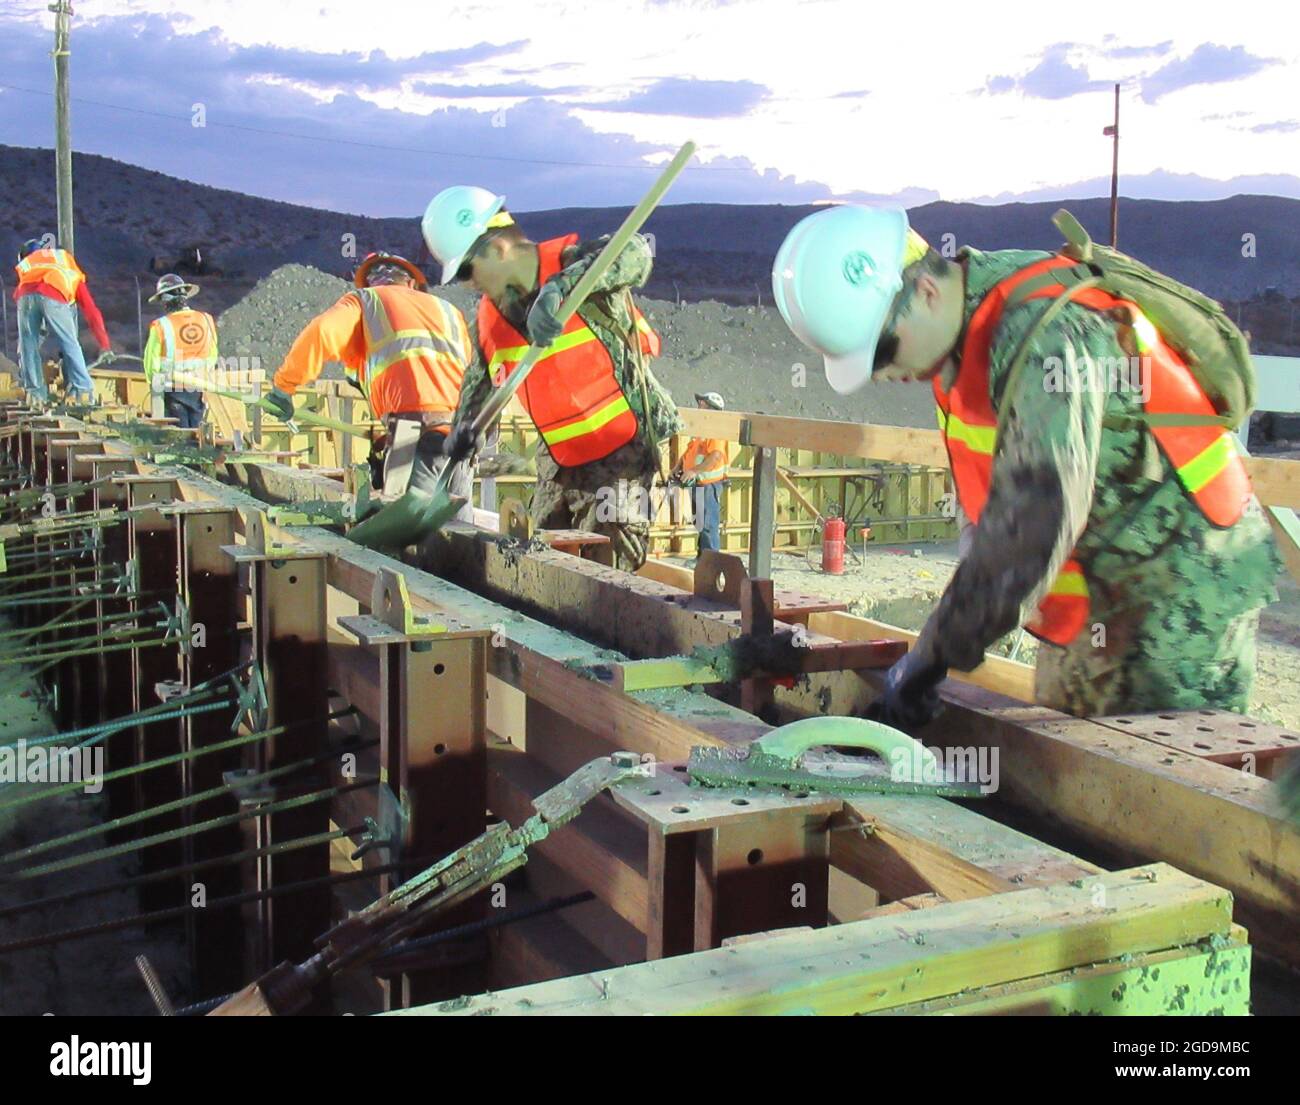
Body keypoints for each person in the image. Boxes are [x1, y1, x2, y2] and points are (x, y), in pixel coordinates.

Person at [772, 204, 1280, 725]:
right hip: (1100, 596)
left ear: (925, 290)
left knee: (1148, 779)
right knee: (1076, 758)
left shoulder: (1046, 335)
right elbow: (991, 509)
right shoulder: (959, 343)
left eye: (880, 351)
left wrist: (933, 653)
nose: (880, 374)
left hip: (1178, 593)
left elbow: (1035, 522)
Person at [423, 186, 681, 570]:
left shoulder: (574, 264)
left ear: (497, 249)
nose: (469, 284)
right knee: (537, 564)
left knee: (605, 572)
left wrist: (561, 287)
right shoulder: (491, 317)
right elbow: (480, 380)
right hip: (559, 461)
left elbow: (636, 252)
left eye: (466, 270)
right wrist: (464, 429)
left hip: (621, 454)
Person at [267, 251, 474, 516]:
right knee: (461, 525)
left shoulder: (366, 301)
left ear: (370, 282)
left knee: (408, 524)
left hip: (411, 428)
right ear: (411, 282)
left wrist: (283, 387)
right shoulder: (449, 310)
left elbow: (322, 332)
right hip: (465, 424)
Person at [13, 238, 113, 403]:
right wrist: (104, 345)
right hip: (54, 294)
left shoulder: (30, 264)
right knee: (69, 342)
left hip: (25, 295)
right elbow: (91, 311)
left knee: (27, 345)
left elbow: (37, 294)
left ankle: (35, 394)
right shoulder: (65, 264)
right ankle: (82, 390)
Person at [142, 273, 217, 428]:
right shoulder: (206, 319)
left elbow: (152, 367)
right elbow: (213, 354)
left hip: (172, 391)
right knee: (197, 434)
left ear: (164, 301)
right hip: (198, 389)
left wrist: (156, 393)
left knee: (177, 437)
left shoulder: (161, 325)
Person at [670, 391, 731, 556]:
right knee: (701, 524)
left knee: (708, 526)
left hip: (709, 486)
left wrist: (694, 471)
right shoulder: (703, 430)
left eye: (702, 405)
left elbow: (715, 456)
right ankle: (703, 558)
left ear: (712, 409)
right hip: (699, 485)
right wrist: (678, 467)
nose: (699, 407)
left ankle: (711, 563)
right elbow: (691, 451)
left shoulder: (715, 429)